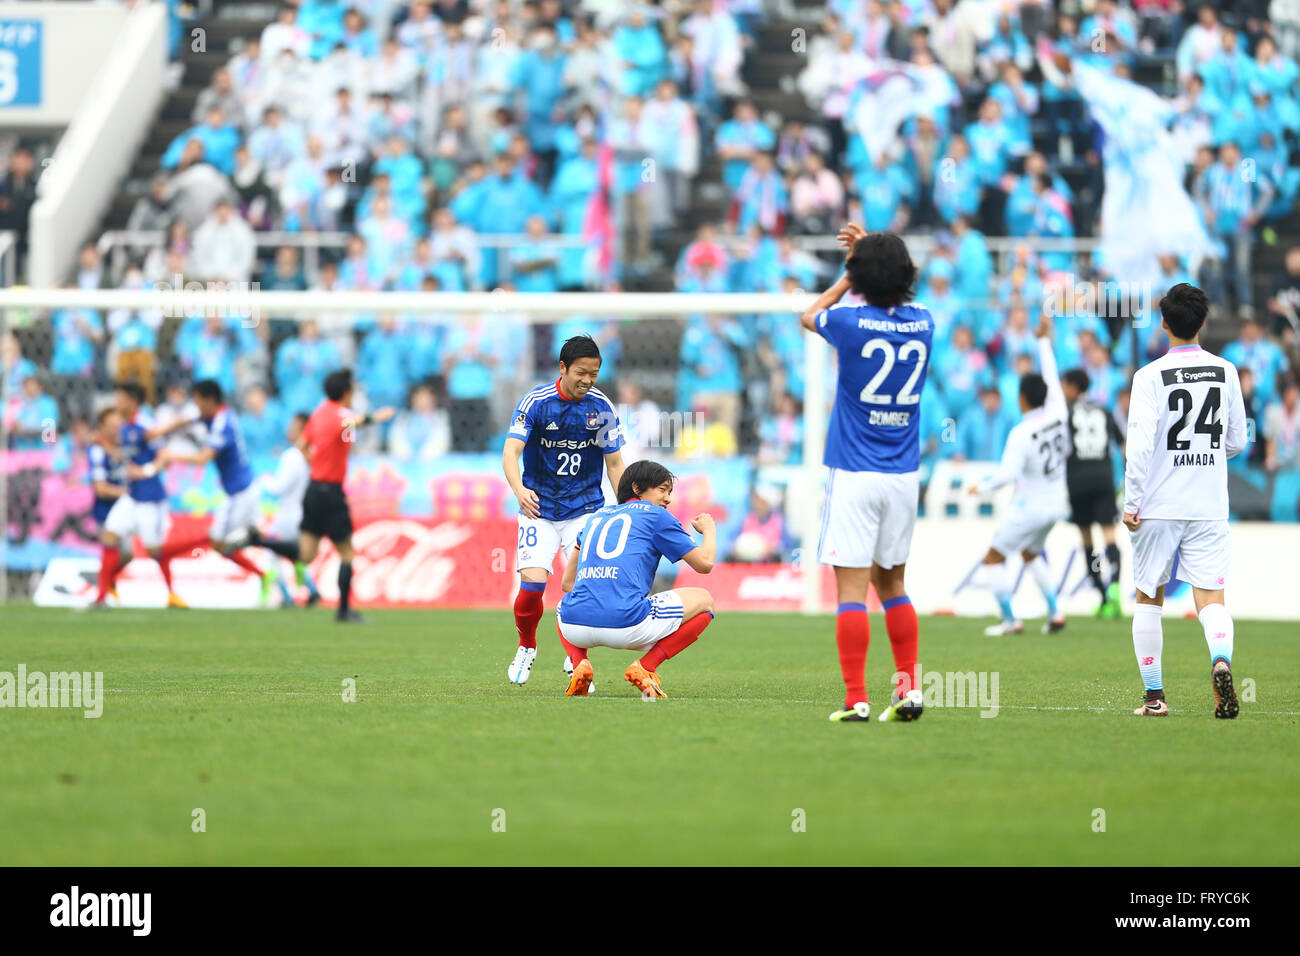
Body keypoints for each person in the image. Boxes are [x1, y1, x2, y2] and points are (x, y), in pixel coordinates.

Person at [799, 224, 931, 724]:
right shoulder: (925, 323)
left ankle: (856, 699)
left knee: (851, 591)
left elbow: (809, 315)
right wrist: (867, 266)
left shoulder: (850, 323)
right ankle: (909, 691)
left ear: (860, 278)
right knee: (894, 583)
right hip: (904, 475)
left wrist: (846, 272)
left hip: (854, 473)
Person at [1123, 283, 1247, 718]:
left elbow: (1138, 445)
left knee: (1148, 597)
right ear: (1203, 322)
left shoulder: (1148, 376)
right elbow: (1236, 440)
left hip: (1157, 504)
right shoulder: (1226, 371)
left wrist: (1132, 501)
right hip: (1208, 504)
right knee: (1211, 599)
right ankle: (1220, 661)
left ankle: (1155, 698)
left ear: (1163, 324)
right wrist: (1205, 456)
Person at [501, 335, 626, 685]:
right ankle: (527, 645)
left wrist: (627, 508)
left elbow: (615, 464)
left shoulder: (601, 407)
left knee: (580, 587)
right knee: (532, 588)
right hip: (538, 507)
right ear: (562, 368)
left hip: (585, 508)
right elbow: (510, 453)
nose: (588, 380)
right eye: (581, 372)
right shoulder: (536, 402)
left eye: (595, 373)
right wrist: (520, 490)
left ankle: (577, 660)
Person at [556, 460, 716, 699]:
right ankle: (646, 667)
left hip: (574, 628)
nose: (668, 499)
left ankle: (580, 663)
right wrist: (710, 530)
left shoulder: (596, 517)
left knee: (564, 605)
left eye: (669, 492)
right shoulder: (656, 516)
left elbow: (568, 584)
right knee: (705, 601)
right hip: (627, 625)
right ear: (637, 488)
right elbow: (704, 564)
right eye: (662, 489)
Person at [968, 315, 1069, 637]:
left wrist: (980, 487)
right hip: (1057, 504)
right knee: (1030, 552)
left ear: (1022, 398)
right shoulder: (1059, 413)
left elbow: (1007, 475)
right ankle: (1054, 612)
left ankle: (1010, 619)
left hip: (1031, 506)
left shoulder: (1021, 433)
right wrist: (1042, 341)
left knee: (993, 558)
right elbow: (1052, 378)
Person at [150, 380, 274, 592]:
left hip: (241, 493)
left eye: (198, 403)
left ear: (210, 400)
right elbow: (183, 420)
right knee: (225, 544)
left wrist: (171, 455)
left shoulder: (221, 423)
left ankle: (275, 567)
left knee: (229, 542)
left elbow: (203, 458)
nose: (196, 408)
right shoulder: (214, 415)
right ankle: (270, 571)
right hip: (235, 492)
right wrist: (157, 432)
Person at [299, 369, 396, 623]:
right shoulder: (340, 413)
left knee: (306, 554)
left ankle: (259, 541)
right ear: (346, 393)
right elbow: (347, 423)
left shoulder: (319, 412)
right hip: (330, 492)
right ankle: (343, 611)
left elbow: (301, 444)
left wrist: (317, 463)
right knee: (347, 553)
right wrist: (375, 417)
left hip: (313, 488)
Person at [90, 384, 189, 609]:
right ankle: (101, 597)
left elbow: (165, 456)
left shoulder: (146, 424)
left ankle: (172, 595)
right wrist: (106, 447)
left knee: (155, 551)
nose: (117, 403)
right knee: (109, 536)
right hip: (132, 496)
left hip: (150, 499)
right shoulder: (125, 428)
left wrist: (145, 472)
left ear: (133, 401)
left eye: (120, 398)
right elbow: (128, 456)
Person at [1061, 367, 1127, 618]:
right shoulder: (1104, 410)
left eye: (1065, 386)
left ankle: (1101, 594)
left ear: (1074, 387)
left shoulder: (1065, 413)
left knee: (1087, 540)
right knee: (1109, 536)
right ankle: (1115, 589)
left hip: (1077, 480)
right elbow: (1123, 443)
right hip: (1102, 478)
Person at [254, 412, 321, 608]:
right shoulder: (313, 455)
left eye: (293, 426)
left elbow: (278, 488)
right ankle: (312, 589)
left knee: (272, 553)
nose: (289, 429)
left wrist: (265, 480)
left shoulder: (292, 456)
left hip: (287, 516)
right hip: (305, 515)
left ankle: (286, 595)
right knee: (296, 553)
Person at [85, 407, 131, 602]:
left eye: (119, 425)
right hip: (107, 509)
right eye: (112, 426)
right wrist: (127, 493)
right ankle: (101, 594)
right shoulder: (97, 452)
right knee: (111, 548)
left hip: (127, 509)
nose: (117, 429)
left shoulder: (127, 447)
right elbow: (100, 488)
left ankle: (105, 579)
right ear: (102, 428)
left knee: (128, 554)